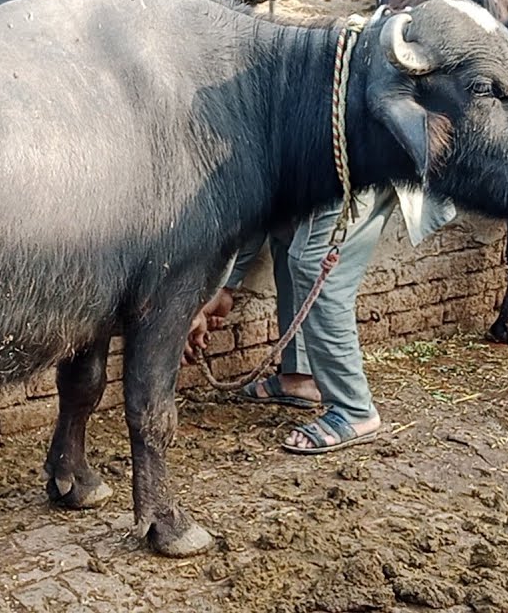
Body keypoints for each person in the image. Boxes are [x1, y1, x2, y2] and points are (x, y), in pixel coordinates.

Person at [189, 184, 455, 454]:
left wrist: (220, 288)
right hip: (309, 161)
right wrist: (224, 288)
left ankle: (355, 409)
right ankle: (299, 378)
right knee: (287, 233)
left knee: (315, 262)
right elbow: (261, 202)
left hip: (353, 161)